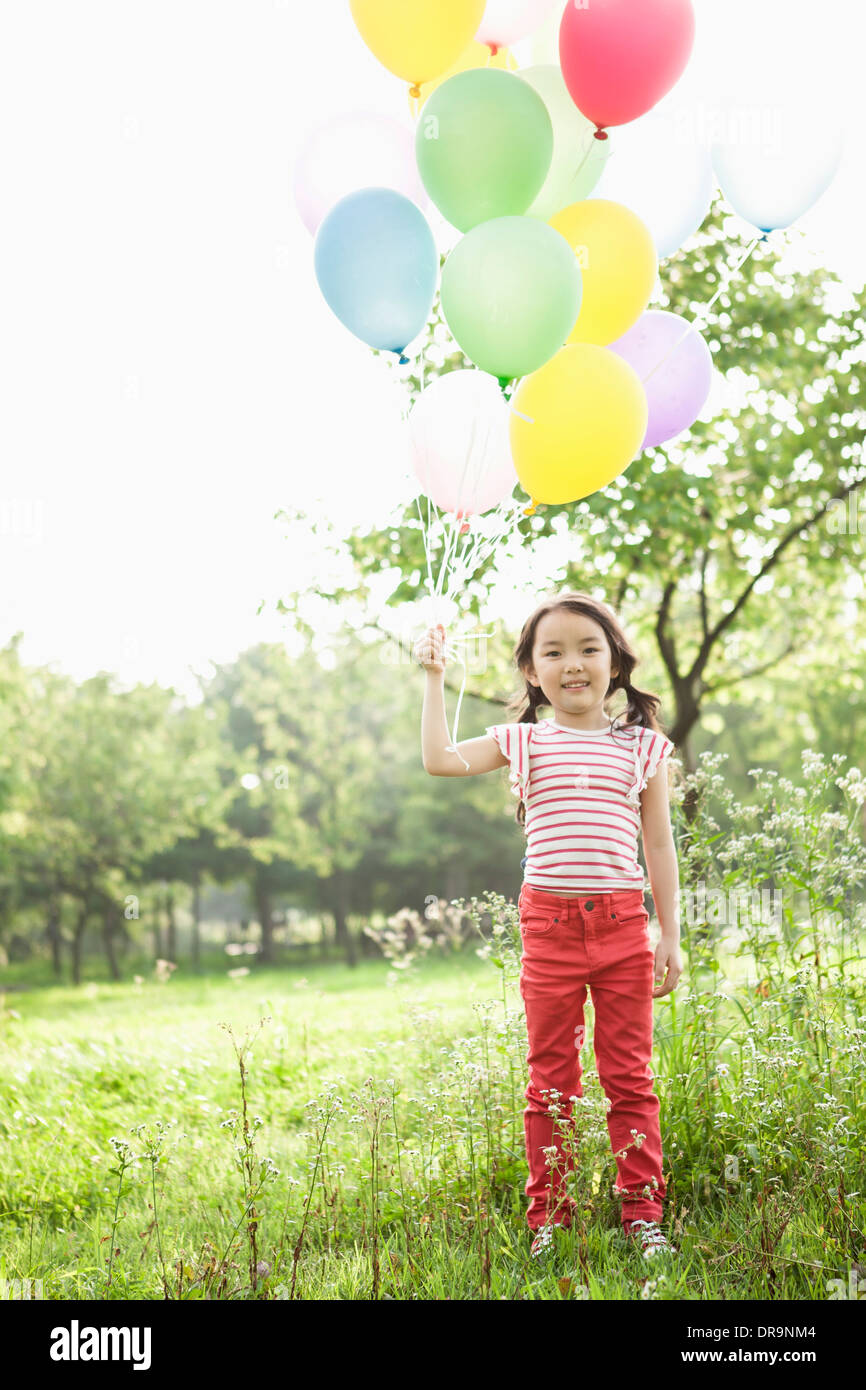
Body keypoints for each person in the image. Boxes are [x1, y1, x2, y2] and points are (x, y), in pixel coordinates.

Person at [414, 590, 683, 1262]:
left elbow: (659, 846)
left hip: (624, 927)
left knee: (629, 1078)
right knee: (551, 1082)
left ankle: (643, 1215)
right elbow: (440, 759)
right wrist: (434, 678)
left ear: (615, 664)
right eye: (553, 652)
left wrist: (670, 934)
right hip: (550, 927)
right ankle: (550, 1222)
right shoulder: (523, 740)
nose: (573, 664)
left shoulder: (643, 749)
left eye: (589, 649)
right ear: (532, 672)